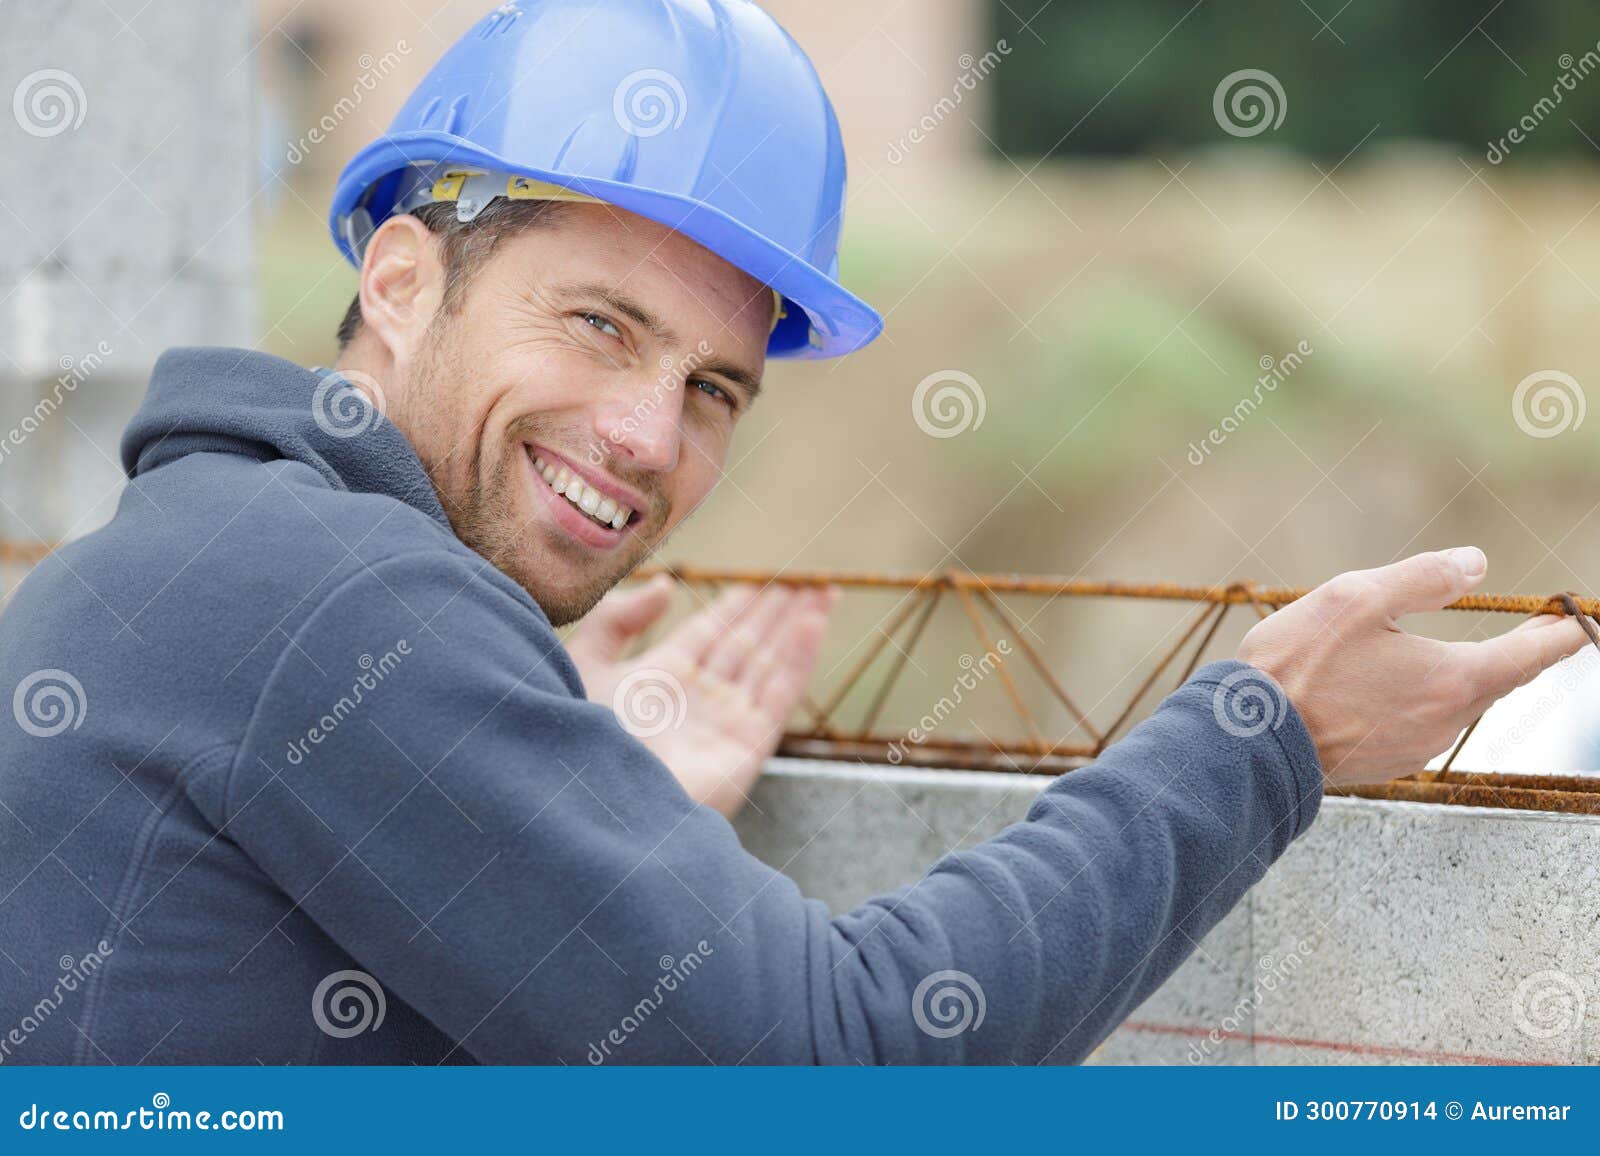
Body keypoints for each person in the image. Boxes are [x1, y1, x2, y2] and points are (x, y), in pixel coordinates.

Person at [0, 0, 1584, 1065]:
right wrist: (1267, 739)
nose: (645, 433)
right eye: (602, 326)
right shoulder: (335, 601)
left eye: (712, 389)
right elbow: (844, 1061)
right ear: (403, 282)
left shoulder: (194, 554)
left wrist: (565, 804)